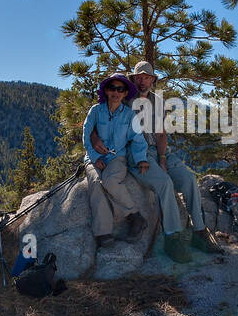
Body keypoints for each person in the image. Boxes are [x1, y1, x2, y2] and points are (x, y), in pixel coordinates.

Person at [129, 61, 221, 264]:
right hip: (137, 155)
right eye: (139, 77)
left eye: (146, 77)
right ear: (134, 79)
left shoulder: (158, 102)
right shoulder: (126, 100)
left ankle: (199, 231)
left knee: (188, 178)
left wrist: (162, 158)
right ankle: (172, 237)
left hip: (157, 151)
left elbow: (161, 134)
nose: (142, 81)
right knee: (165, 183)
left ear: (153, 80)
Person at [80, 74, 156, 248]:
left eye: (120, 89)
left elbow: (137, 139)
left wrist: (141, 159)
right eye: (112, 88)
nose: (115, 92)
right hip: (93, 157)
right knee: (96, 183)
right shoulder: (95, 111)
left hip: (117, 157)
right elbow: (86, 135)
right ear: (106, 91)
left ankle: (135, 216)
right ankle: (103, 232)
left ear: (125, 93)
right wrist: (95, 157)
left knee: (110, 180)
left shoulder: (129, 115)